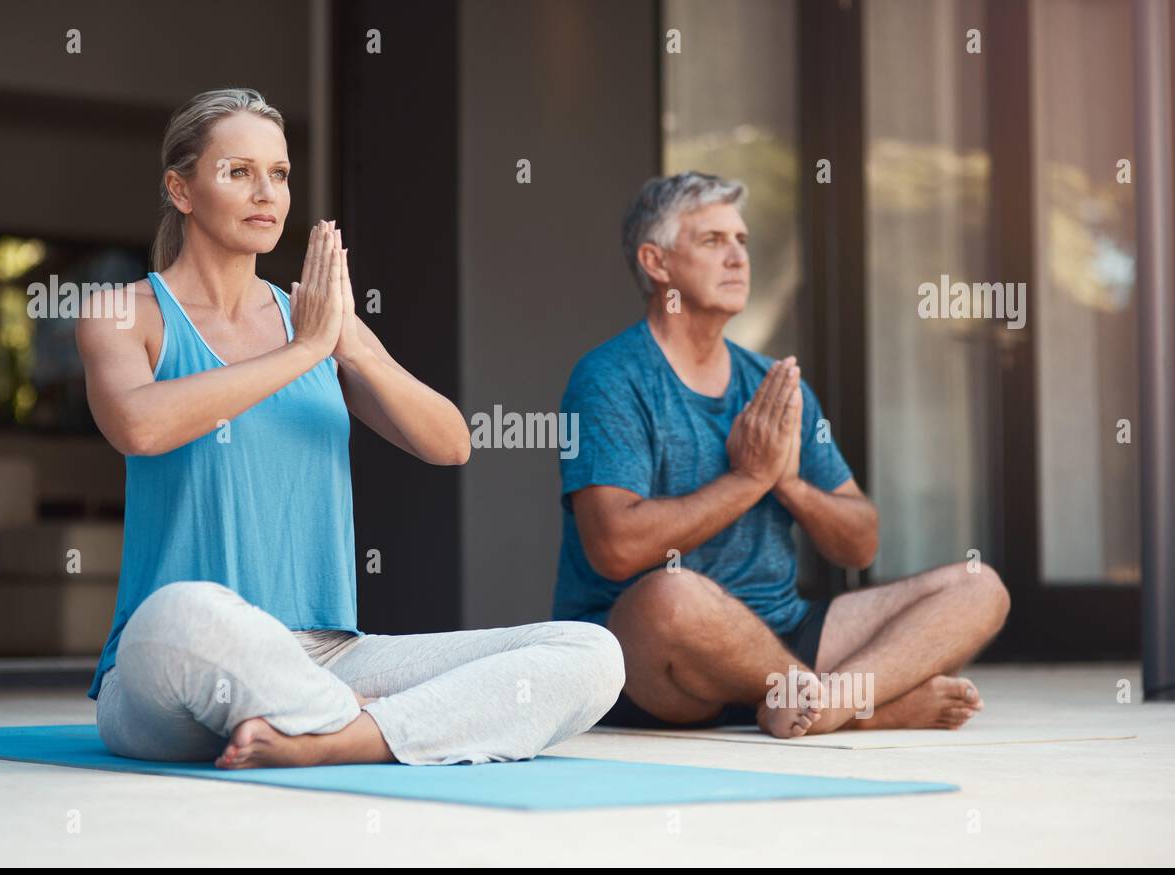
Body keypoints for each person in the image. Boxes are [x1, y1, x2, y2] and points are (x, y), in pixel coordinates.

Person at [77, 88, 623, 769]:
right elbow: (138, 425)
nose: (266, 192)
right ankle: (386, 728)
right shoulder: (125, 312)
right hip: (179, 667)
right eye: (237, 171)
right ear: (180, 189)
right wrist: (302, 353)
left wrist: (349, 343)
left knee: (591, 653)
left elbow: (450, 442)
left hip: (332, 655)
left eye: (278, 174)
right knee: (185, 613)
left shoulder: (316, 319)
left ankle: (340, 737)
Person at [552, 171, 1010, 739]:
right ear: (657, 263)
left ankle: (826, 702)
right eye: (712, 241)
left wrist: (788, 484)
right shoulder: (610, 378)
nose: (738, 258)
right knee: (672, 595)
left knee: (978, 584)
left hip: (782, 633)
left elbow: (859, 542)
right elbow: (616, 549)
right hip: (655, 658)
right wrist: (747, 481)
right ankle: (865, 706)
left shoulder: (773, 384)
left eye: (741, 241)